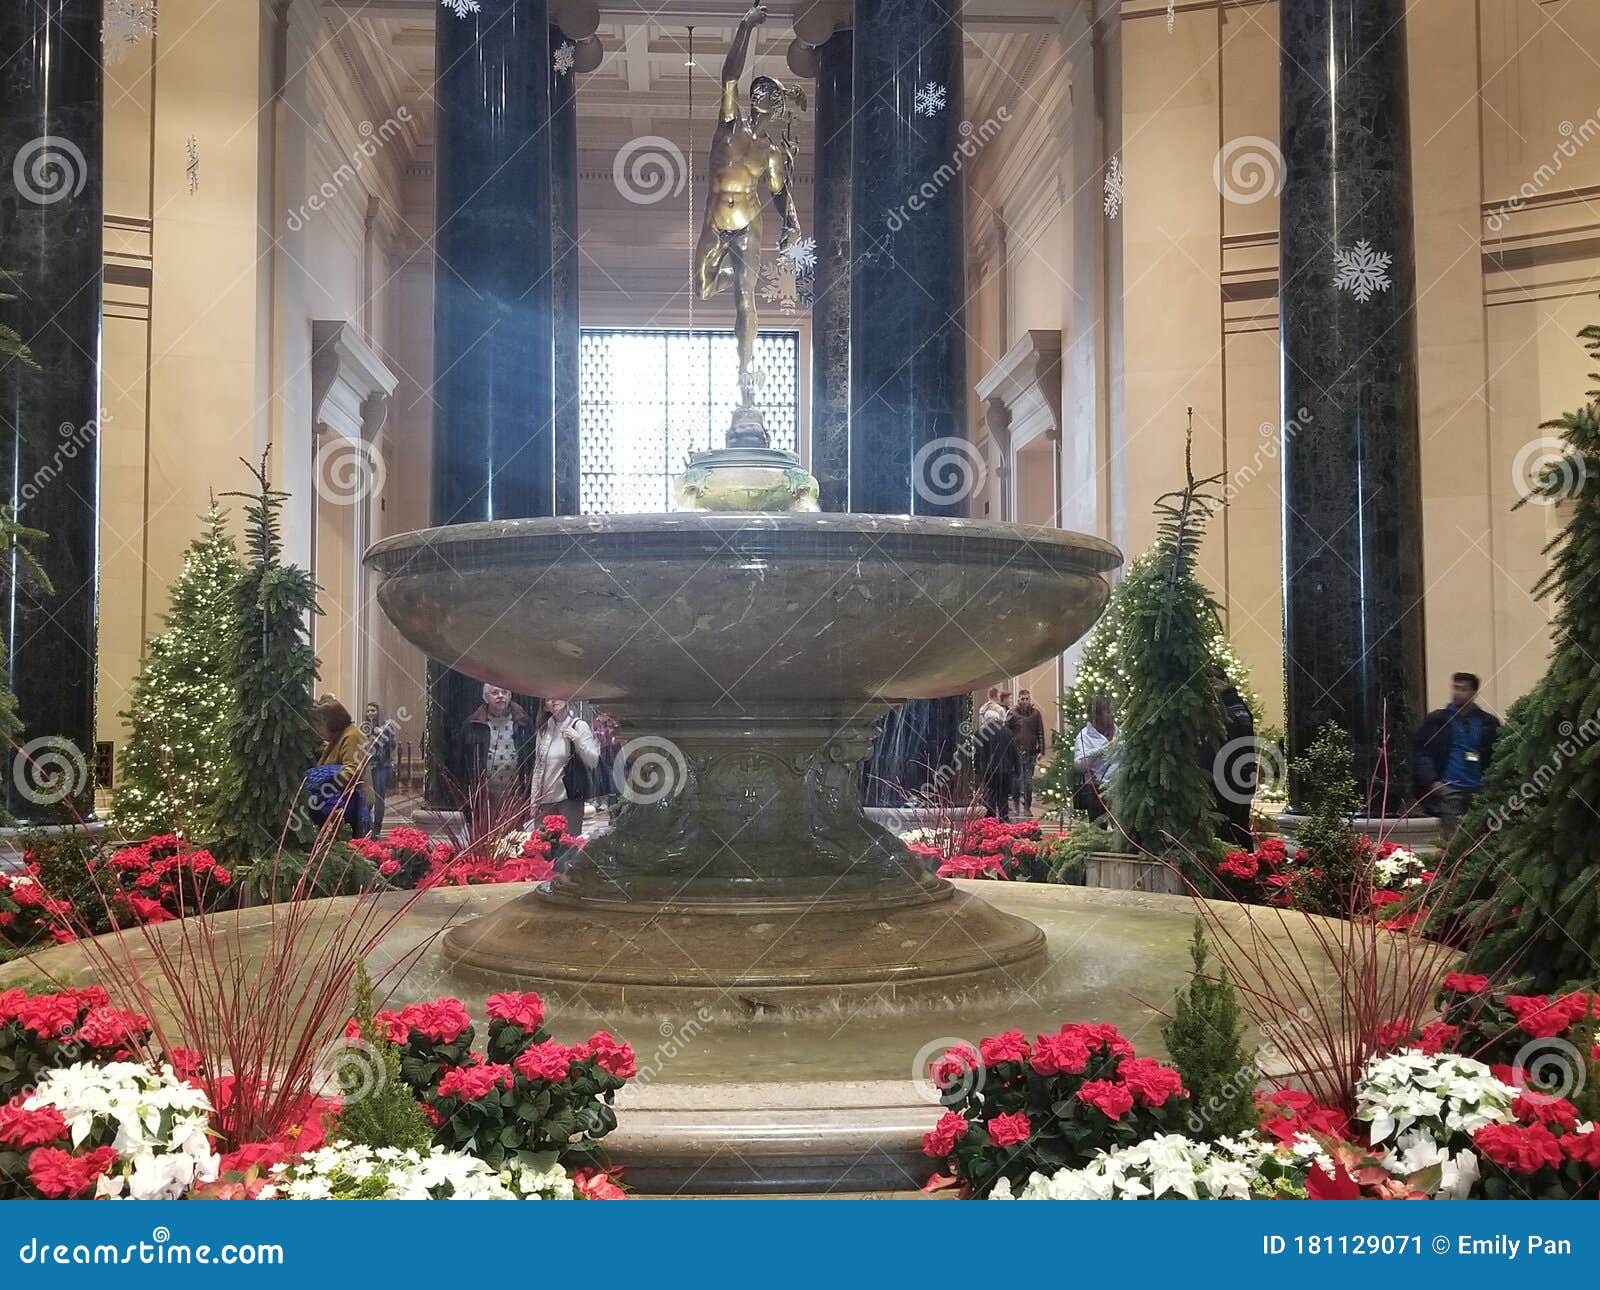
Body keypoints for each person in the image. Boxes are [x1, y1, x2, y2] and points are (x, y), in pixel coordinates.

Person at [1414, 672, 1501, 840]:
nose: (1458, 693)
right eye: (1455, 688)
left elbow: (1497, 753)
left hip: (1479, 789)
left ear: (1474, 693)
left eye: (1463, 689)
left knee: (1482, 838)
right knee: (1451, 840)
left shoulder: (1488, 723)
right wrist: (1432, 782)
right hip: (1449, 788)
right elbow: (1421, 751)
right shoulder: (1438, 720)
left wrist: (1492, 785)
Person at [529, 698, 601, 839]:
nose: (554, 700)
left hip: (570, 797)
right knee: (543, 847)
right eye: (549, 698)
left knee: (569, 846)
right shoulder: (544, 729)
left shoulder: (579, 726)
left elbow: (593, 760)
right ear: (544, 706)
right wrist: (534, 800)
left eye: (558, 695)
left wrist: (577, 740)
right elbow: (538, 768)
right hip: (545, 800)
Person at [462, 684, 535, 820]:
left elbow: (532, 758)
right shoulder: (473, 724)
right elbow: (463, 761)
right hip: (485, 798)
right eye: (495, 693)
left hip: (516, 794)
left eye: (504, 692)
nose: (500, 696)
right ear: (485, 697)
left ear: (510, 696)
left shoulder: (523, 722)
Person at [311, 696, 372, 838]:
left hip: (351, 809)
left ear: (331, 722)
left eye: (319, 725)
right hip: (340, 807)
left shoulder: (352, 736)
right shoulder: (337, 738)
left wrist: (324, 782)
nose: (317, 730)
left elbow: (352, 770)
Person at [1208, 674, 1256, 848]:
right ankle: (1246, 865)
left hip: (1224, 778)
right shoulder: (1239, 706)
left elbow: (1213, 748)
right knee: (1240, 826)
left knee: (1224, 831)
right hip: (1243, 776)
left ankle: (1232, 869)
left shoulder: (1220, 710)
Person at [1073, 695, 1119, 820]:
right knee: (1098, 829)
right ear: (1096, 716)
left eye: (1112, 710)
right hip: (1097, 791)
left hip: (1120, 789)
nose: (1112, 714)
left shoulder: (1120, 732)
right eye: (1108, 711)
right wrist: (1100, 751)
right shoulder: (1084, 736)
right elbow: (1079, 765)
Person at [974, 703, 1018, 822]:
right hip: (1006, 770)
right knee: (1003, 798)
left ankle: (991, 823)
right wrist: (1018, 769)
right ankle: (1004, 821)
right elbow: (1014, 752)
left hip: (989, 771)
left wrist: (977, 770)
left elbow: (978, 755)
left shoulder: (980, 733)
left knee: (990, 798)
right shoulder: (1008, 732)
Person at [1007, 688, 1046, 817]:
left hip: (1030, 752)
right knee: (1016, 780)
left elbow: (1040, 732)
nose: (1025, 701)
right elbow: (1007, 732)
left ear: (1030, 700)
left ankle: (1027, 806)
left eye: (1027, 699)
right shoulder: (1012, 713)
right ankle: (1016, 805)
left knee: (1028, 781)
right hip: (1016, 752)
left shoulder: (1036, 714)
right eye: (1022, 699)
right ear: (1018, 700)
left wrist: (1041, 750)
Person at [362, 702, 398, 838]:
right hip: (368, 766)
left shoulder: (387, 727)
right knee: (367, 798)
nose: (370, 713)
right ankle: (367, 827)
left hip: (382, 767)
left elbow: (392, 745)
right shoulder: (364, 727)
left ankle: (376, 829)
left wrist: (382, 734)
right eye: (368, 711)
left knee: (379, 798)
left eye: (373, 710)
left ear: (378, 712)